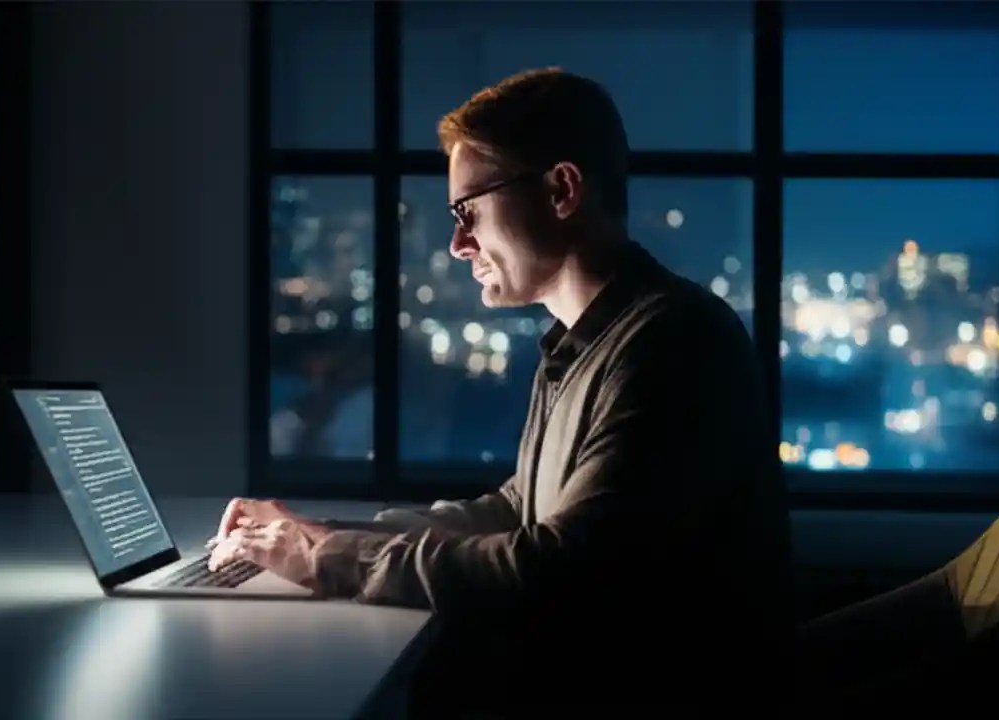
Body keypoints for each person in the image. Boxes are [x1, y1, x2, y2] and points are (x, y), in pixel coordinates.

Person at [210, 68, 793, 712]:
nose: (460, 244)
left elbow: (558, 572)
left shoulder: (671, 344)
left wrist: (335, 561)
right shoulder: (586, 343)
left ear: (561, 190)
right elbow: (519, 511)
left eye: (469, 212)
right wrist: (324, 534)